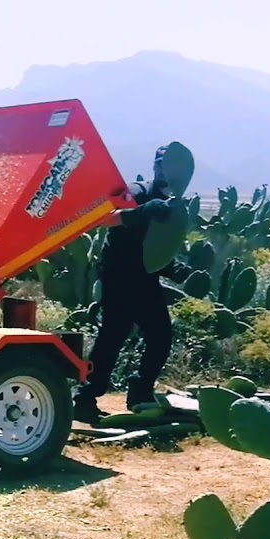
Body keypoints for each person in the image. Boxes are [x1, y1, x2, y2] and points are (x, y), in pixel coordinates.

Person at [72, 146, 179, 425]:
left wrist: (176, 268)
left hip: (145, 278)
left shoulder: (170, 203)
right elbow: (104, 217)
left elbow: (156, 248)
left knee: (161, 335)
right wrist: (141, 211)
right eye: (162, 164)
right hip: (119, 276)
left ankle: (140, 393)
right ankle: (85, 398)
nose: (165, 170)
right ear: (156, 166)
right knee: (112, 337)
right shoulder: (138, 191)